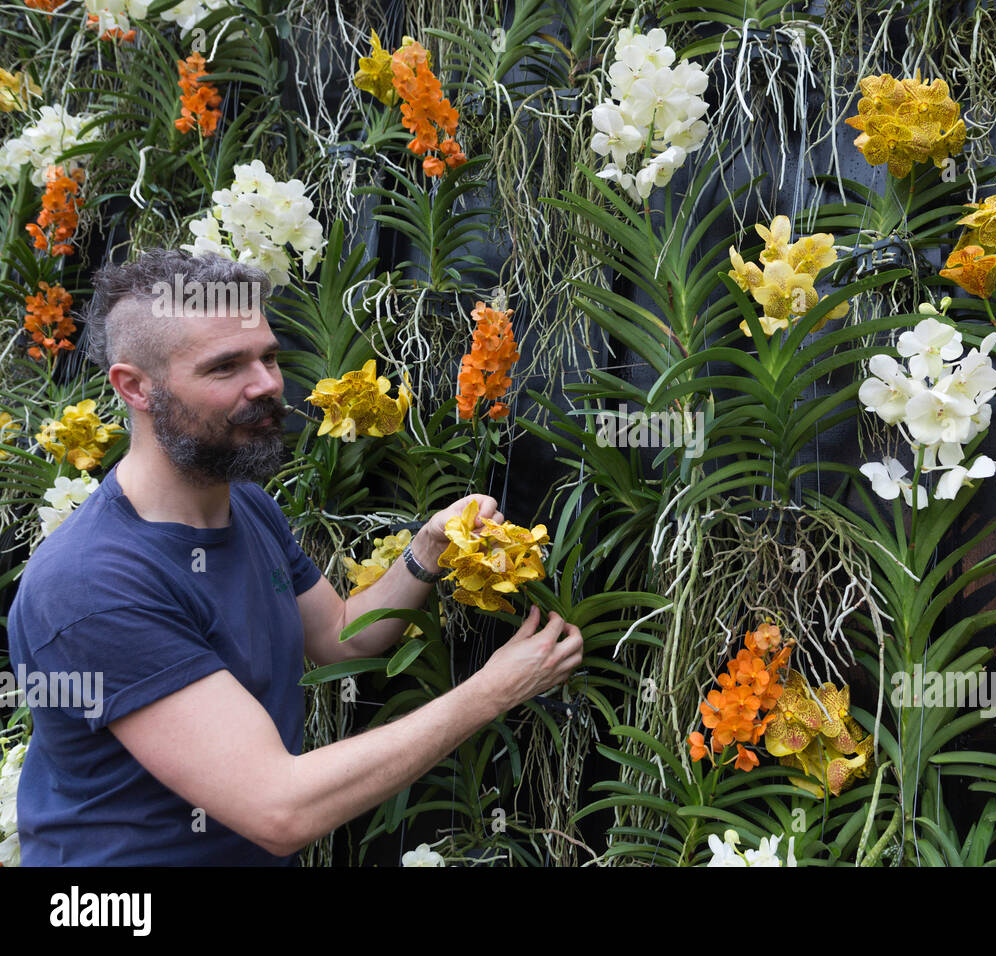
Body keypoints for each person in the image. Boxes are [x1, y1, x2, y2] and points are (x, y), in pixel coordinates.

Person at [7, 249, 582, 865]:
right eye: (226, 366)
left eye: (269, 356)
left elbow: (342, 638)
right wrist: (490, 693)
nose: (268, 385)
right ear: (135, 387)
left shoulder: (245, 505)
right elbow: (280, 808)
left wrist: (427, 550)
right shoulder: (94, 585)